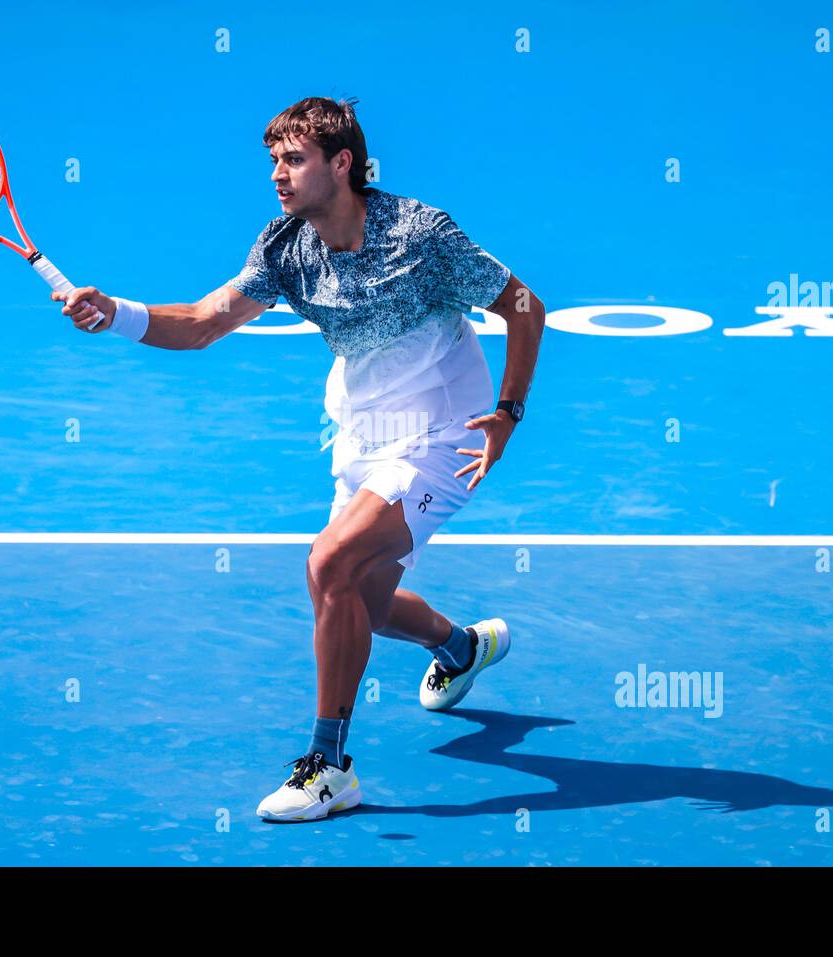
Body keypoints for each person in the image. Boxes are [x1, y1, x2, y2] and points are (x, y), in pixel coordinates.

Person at [52, 96, 544, 823]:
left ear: (341, 164)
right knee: (366, 605)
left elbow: (525, 304)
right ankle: (461, 645)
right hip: (364, 432)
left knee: (328, 566)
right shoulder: (286, 248)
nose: (278, 175)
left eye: (294, 160)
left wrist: (506, 414)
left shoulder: (421, 233)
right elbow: (202, 323)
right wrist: (114, 314)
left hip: (445, 429)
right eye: (273, 162)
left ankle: (329, 766)